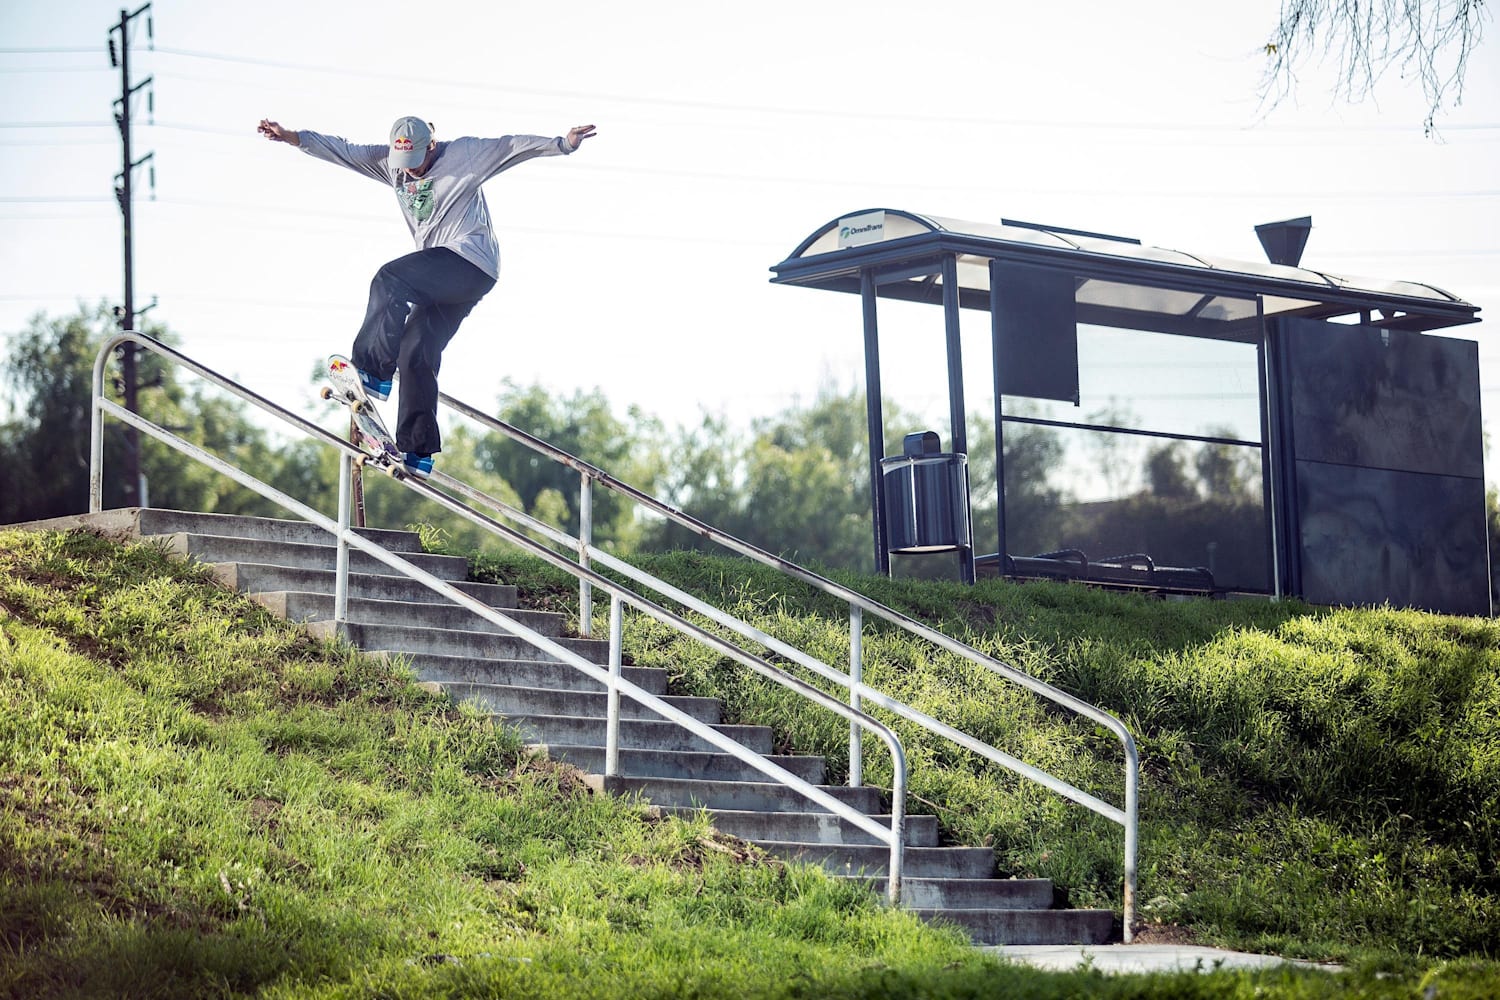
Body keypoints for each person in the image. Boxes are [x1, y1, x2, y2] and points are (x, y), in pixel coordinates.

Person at [256, 114, 597, 477]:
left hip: (467, 262)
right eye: (404, 165)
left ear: (431, 147)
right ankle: (418, 451)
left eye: (416, 162)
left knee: (391, 279)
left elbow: (510, 146)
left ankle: (372, 369)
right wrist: (293, 137)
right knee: (416, 351)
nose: (410, 172)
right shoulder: (391, 165)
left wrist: (562, 143)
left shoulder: (464, 154)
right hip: (445, 277)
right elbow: (343, 150)